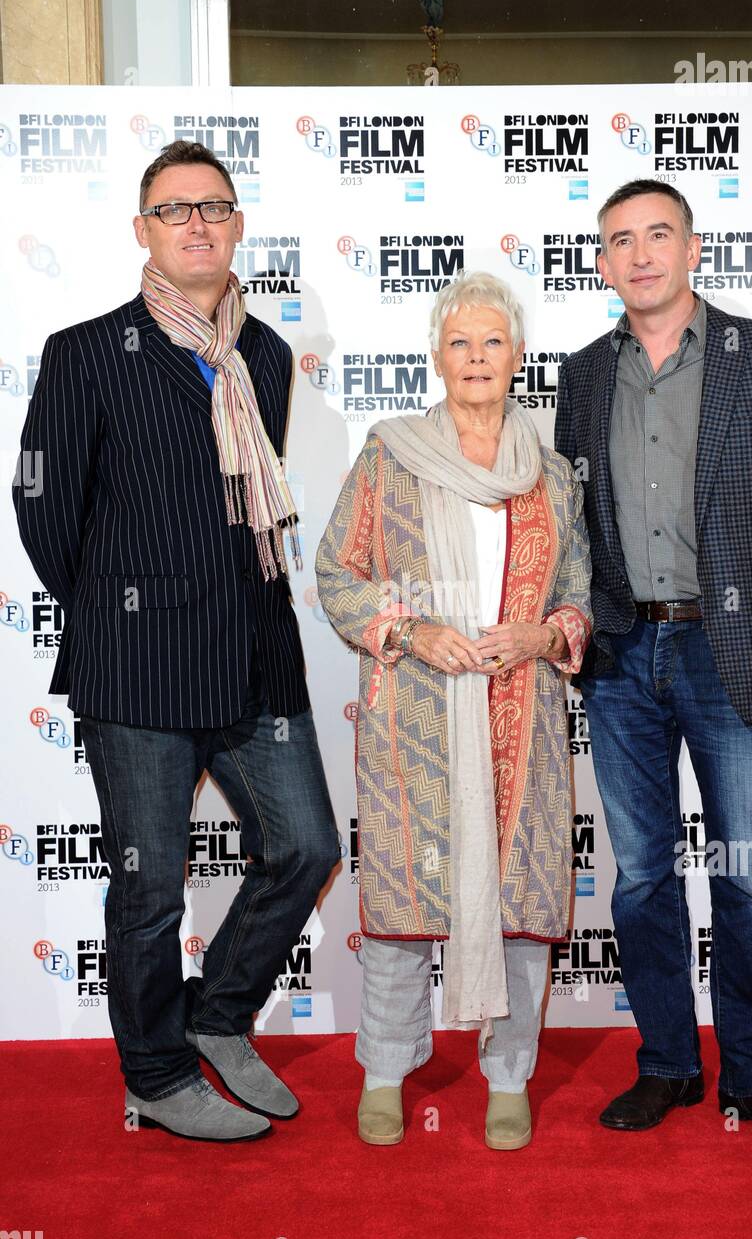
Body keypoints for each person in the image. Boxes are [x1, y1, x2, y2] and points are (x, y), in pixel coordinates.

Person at [13, 140, 340, 1142]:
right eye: (172, 209)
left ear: (237, 223)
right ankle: (154, 1077)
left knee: (307, 845)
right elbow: (44, 512)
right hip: (137, 670)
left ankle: (218, 1014)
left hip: (256, 652)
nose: (195, 223)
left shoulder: (268, 356)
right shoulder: (86, 350)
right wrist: (122, 608)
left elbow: (247, 503)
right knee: (149, 890)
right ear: (143, 230)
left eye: (211, 205)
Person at [554, 178, 752, 1151]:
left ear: (691, 249)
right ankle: (668, 1066)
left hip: (740, 654)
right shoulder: (583, 374)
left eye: (655, 235)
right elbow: (568, 524)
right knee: (639, 878)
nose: (637, 254)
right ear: (600, 262)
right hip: (620, 653)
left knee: (749, 878)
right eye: (617, 241)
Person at [316, 271, 592, 1151]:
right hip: (415, 720)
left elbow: (580, 589)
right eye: (460, 343)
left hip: (524, 721)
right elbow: (336, 573)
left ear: (518, 357)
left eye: (493, 342)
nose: (476, 357)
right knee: (402, 910)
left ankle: (508, 1074)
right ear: (436, 357)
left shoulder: (550, 474)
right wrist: (410, 631)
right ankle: (387, 1068)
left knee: (518, 903)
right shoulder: (388, 456)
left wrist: (545, 635)